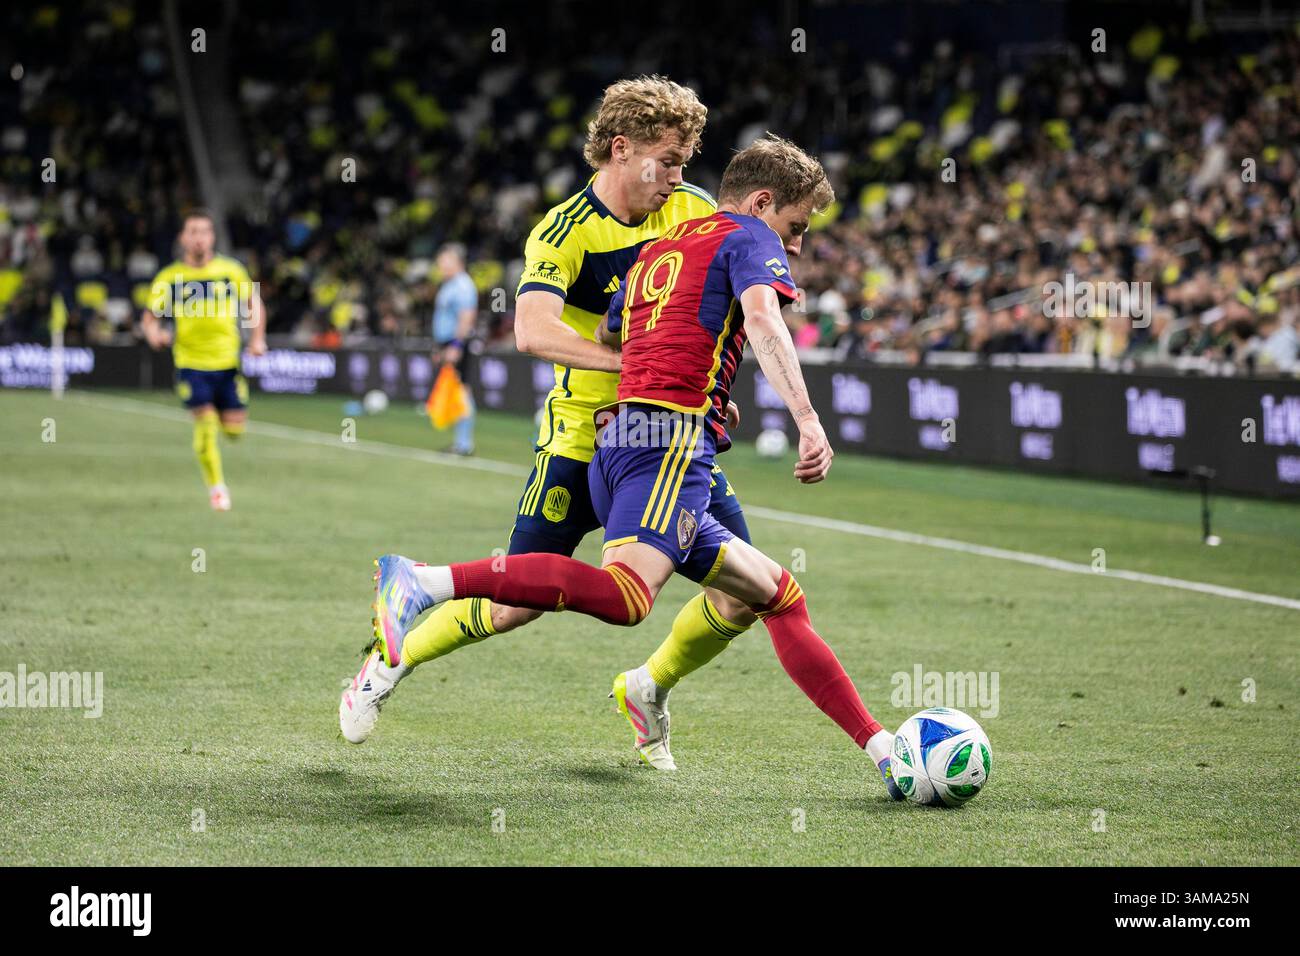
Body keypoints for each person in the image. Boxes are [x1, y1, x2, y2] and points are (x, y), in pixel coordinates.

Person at [356, 135, 902, 799]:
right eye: (796, 229)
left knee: (774, 594)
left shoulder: (656, 252)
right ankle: (422, 581)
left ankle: (882, 749)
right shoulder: (744, 235)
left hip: (620, 438)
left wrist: (694, 386)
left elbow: (619, 336)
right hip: (664, 447)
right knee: (626, 597)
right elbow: (762, 318)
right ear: (762, 204)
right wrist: (807, 420)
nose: (795, 248)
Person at [341, 77, 761, 771]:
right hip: (578, 438)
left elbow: (711, 308)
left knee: (744, 590)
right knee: (515, 605)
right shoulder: (563, 230)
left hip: (667, 438)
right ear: (621, 151)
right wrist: (639, 368)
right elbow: (533, 332)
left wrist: (704, 387)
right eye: (669, 159)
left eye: (688, 161)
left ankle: (648, 686)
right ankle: (386, 664)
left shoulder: (690, 210)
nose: (682, 178)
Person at [141, 209, 266, 511]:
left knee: (234, 432)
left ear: (212, 237)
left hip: (227, 362)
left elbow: (254, 303)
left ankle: (232, 407)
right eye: (193, 232)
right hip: (190, 363)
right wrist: (154, 334)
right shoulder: (170, 277)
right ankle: (217, 489)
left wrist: (257, 338)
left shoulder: (230, 270)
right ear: (184, 238)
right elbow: (150, 317)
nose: (199, 238)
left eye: (204, 231)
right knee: (205, 424)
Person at [430, 243, 478, 455]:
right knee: (455, 391)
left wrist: (456, 346)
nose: (440, 265)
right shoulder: (448, 284)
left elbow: (467, 317)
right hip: (447, 344)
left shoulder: (463, 285)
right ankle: (460, 441)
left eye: (444, 260)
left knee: (461, 392)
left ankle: (464, 443)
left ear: (457, 261)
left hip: (457, 344)